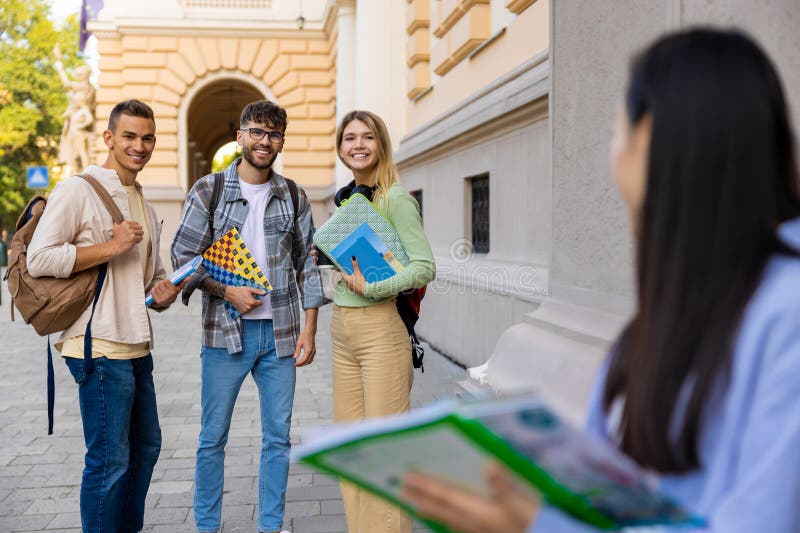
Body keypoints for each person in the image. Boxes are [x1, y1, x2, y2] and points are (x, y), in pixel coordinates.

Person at [402, 28, 800, 533]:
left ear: (651, 137)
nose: (611, 161)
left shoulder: (786, 310)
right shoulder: (674, 308)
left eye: (615, 130)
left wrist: (537, 525)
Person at [27, 99, 183, 533]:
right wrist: (111, 248)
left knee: (146, 448)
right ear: (109, 138)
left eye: (147, 137)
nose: (139, 145)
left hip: (135, 346)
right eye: (129, 136)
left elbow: (149, 281)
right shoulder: (78, 189)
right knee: (109, 460)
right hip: (97, 347)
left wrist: (165, 293)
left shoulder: (143, 204)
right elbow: (40, 257)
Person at [171, 100, 325, 533]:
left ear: (281, 141)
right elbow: (183, 258)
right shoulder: (209, 190)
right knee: (211, 439)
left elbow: (307, 265)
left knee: (278, 439)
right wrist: (227, 291)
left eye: (274, 134)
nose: (265, 141)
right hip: (224, 336)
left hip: (281, 336)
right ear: (240, 136)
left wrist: (310, 329)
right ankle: (207, 527)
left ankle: (270, 526)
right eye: (257, 132)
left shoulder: (293, 195)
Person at [331, 110, 436, 533]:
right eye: (350, 138)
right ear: (341, 148)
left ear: (381, 144)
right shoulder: (346, 200)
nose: (358, 144)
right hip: (342, 332)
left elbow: (425, 267)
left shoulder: (396, 198)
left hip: (381, 332)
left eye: (367, 137)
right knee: (352, 452)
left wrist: (374, 286)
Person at [54, 43, 95, 172]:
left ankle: (85, 174)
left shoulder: (84, 87)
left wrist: (60, 67)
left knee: (82, 153)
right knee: (74, 155)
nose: (77, 77)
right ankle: (78, 174)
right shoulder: (85, 90)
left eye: (79, 74)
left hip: (78, 130)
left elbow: (66, 84)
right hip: (74, 127)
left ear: (84, 75)